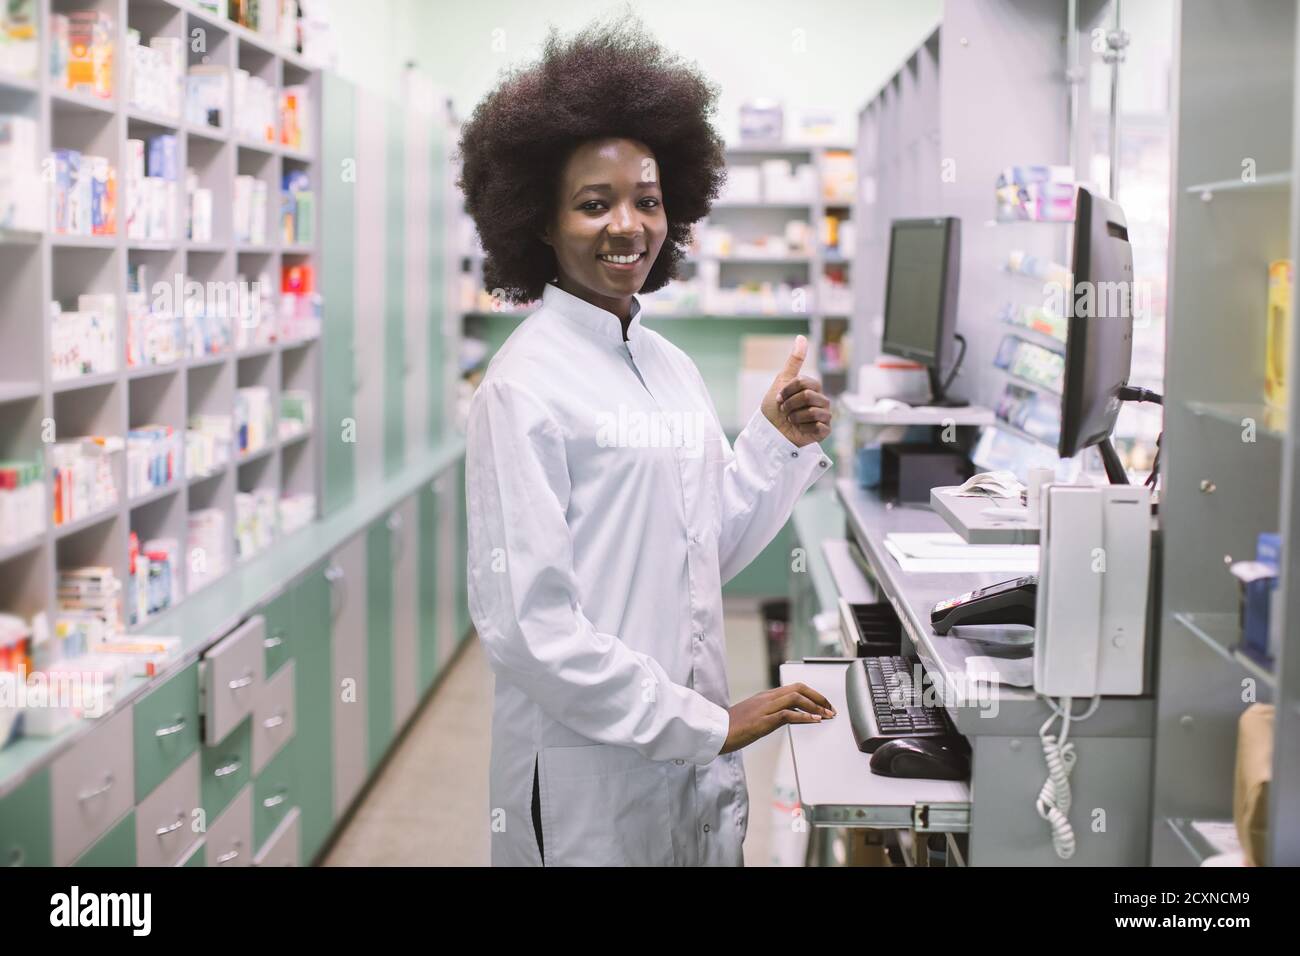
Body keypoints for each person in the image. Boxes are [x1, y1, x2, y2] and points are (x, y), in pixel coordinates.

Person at [460, 18, 835, 867]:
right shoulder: (523, 389)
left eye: (648, 199)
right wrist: (706, 721)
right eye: (594, 204)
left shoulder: (666, 367)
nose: (627, 225)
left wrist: (775, 442)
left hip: (684, 760)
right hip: (590, 777)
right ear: (542, 224)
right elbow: (529, 627)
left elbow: (700, 546)